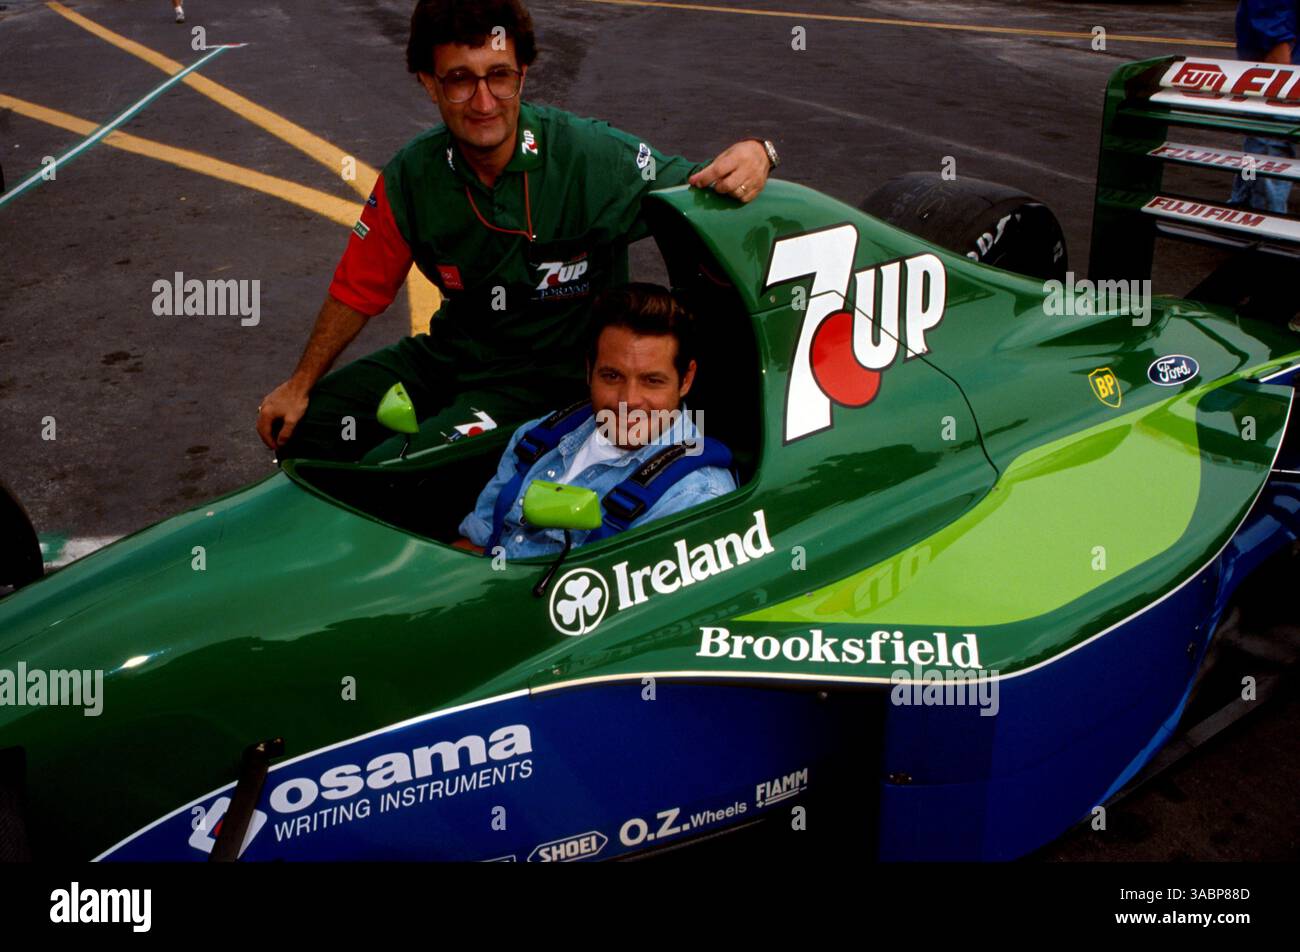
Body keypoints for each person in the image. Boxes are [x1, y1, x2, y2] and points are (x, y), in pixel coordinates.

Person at [257, 0, 778, 462]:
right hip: (452, 357)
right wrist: (300, 384)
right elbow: (358, 287)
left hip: (544, 384)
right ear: (428, 82)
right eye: (460, 79)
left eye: (499, 76)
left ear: (523, 74)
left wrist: (760, 152)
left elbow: (703, 186)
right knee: (307, 427)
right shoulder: (411, 177)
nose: (484, 103)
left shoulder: (590, 157)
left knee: (399, 464)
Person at [456, 284, 735, 558]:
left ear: (686, 380)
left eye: (652, 381)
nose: (628, 400)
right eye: (612, 376)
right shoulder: (535, 439)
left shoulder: (694, 497)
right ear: (590, 371)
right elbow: (476, 544)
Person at [1228, 1, 1297, 213]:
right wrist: (1278, 43)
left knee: (1262, 140)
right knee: (1268, 140)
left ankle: (1249, 205)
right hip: (1279, 60)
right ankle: (1262, 215)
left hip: (1280, 58)